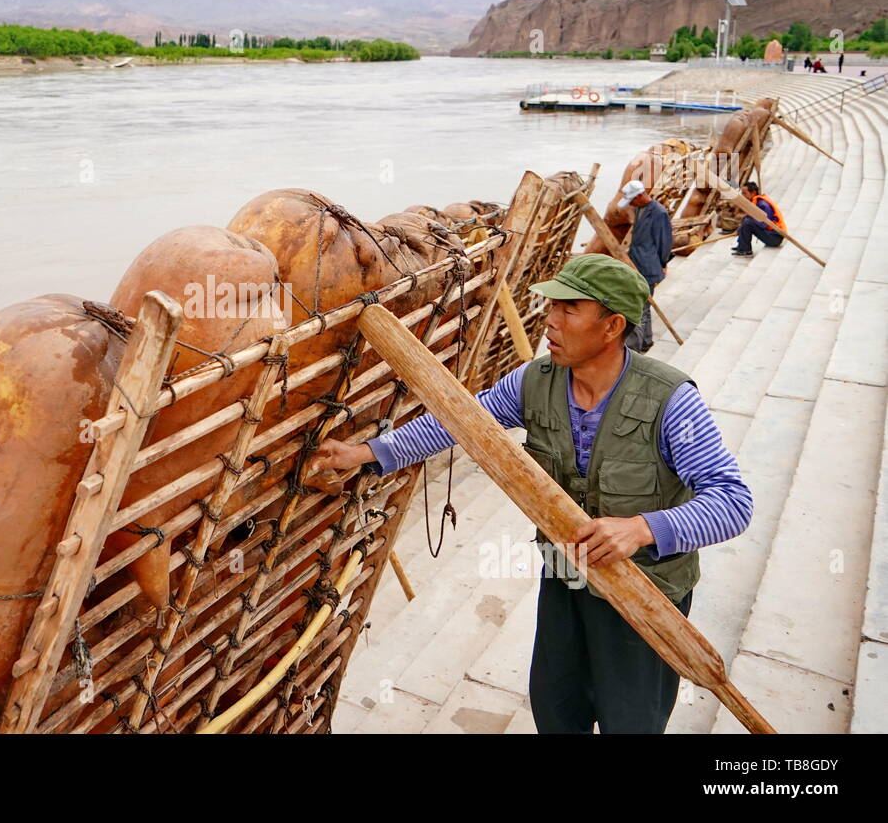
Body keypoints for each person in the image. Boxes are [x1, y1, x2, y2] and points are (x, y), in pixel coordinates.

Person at [307, 254, 753, 733]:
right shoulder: (535, 382)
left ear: (612, 326)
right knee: (555, 707)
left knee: (632, 719)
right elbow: (461, 422)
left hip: (646, 597)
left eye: (569, 309)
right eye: (551, 306)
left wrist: (643, 528)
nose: (550, 320)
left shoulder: (669, 401)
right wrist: (366, 453)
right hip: (566, 580)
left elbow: (732, 501)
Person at [618, 180, 672, 353]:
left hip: (649, 267)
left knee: (639, 307)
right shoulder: (640, 208)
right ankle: (646, 341)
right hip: (637, 263)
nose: (631, 204)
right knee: (643, 306)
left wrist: (663, 264)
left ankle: (635, 347)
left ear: (640, 196)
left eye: (632, 200)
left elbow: (664, 242)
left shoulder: (659, 213)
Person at [731, 180, 786, 256]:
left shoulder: (762, 205)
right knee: (746, 220)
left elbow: (763, 224)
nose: (743, 196)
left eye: (744, 193)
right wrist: (739, 230)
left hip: (774, 238)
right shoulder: (756, 203)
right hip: (771, 235)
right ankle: (741, 246)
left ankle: (745, 250)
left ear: (753, 193)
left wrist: (747, 224)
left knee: (747, 222)